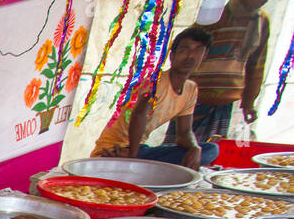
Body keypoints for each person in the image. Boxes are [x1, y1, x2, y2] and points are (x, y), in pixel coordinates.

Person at [175, 0, 285, 144]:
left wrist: (249, 101)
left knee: (211, 152)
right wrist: (177, 87)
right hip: (195, 96)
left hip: (225, 100)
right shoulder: (217, 11)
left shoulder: (261, 22)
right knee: (180, 148)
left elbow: (256, 65)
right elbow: (188, 47)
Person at [91, 29, 219, 169]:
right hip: (115, 149)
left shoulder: (191, 89)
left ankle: (140, 164)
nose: (190, 56)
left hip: (141, 151)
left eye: (198, 51)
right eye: (184, 50)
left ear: (205, 55)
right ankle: (136, 163)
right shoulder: (155, 81)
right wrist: (132, 155)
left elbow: (184, 133)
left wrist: (195, 148)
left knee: (210, 149)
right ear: (172, 56)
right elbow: (139, 114)